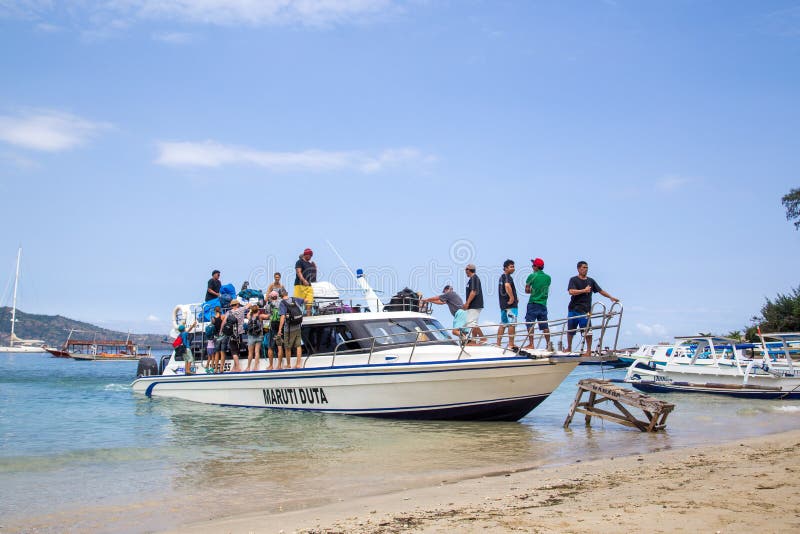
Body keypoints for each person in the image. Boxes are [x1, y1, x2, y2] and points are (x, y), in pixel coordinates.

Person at [566, 261, 619, 357]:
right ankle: (569, 347)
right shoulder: (573, 280)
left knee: (588, 331)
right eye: (583, 267)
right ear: (578, 269)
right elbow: (571, 291)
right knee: (570, 330)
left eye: (587, 267)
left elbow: (600, 290)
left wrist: (610, 297)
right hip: (574, 308)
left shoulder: (591, 281)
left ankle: (589, 351)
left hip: (585, 310)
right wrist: (584, 290)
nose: (585, 269)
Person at [524, 258, 553, 352]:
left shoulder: (532, 276)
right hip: (543, 304)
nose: (532, 267)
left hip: (533, 303)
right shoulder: (548, 278)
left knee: (530, 323)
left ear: (536, 267)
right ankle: (549, 344)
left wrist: (532, 290)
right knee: (545, 325)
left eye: (533, 265)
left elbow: (527, 290)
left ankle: (531, 344)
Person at [277, 288, 305, 369]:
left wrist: (279, 329)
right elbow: (305, 300)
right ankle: (298, 364)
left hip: (288, 329)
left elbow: (282, 316)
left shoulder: (282, 303)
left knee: (287, 347)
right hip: (298, 326)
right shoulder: (294, 299)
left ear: (280, 296)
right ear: (287, 293)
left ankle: (288, 364)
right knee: (298, 345)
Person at [496, 259, 519, 350]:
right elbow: (507, 286)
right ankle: (511, 344)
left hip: (503, 305)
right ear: (505, 268)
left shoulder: (501, 277)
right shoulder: (508, 277)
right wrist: (512, 298)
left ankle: (498, 344)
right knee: (512, 324)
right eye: (511, 267)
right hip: (511, 305)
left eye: (513, 266)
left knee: (503, 324)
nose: (513, 268)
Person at [220, 298, 246, 372]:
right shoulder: (241, 310)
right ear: (237, 304)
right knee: (237, 350)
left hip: (232, 334)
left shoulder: (229, 312)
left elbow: (224, 322)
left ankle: (237, 367)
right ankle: (235, 367)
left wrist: (221, 331)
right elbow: (249, 305)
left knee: (233, 351)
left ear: (231, 305)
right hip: (240, 333)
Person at [461, 263, 485, 342]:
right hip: (473, 305)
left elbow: (474, 291)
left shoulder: (474, 278)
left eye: (466, 269)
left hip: (475, 305)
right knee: (473, 323)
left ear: (469, 270)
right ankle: (474, 340)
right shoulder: (471, 279)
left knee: (471, 323)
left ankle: (483, 338)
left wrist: (467, 303)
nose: (465, 271)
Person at [244, 303, 268, 372]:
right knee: (257, 352)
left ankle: (248, 367)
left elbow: (249, 313)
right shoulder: (260, 316)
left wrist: (251, 310)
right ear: (258, 310)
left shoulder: (249, 316)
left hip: (251, 336)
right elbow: (268, 316)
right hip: (259, 335)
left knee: (250, 353)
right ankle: (255, 367)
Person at [294, 248, 316, 316]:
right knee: (298, 303)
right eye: (310, 255)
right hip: (299, 285)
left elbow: (314, 278)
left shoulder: (310, 264)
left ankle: (308, 317)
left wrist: (315, 268)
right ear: (306, 254)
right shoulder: (299, 262)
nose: (311, 257)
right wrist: (303, 280)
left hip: (309, 286)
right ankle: (297, 317)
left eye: (311, 256)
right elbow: (298, 272)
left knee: (309, 302)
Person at [262, 291, 281, 369]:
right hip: (279, 327)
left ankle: (271, 365)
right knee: (279, 346)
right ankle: (279, 365)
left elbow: (267, 316)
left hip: (271, 327)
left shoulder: (268, 305)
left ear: (270, 297)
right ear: (277, 296)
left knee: (270, 347)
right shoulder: (281, 303)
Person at [210, 306, 223, 373]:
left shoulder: (213, 319)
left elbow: (212, 325)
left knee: (217, 353)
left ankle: (215, 369)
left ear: (215, 311)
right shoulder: (222, 317)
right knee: (222, 352)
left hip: (216, 336)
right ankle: (221, 368)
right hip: (222, 336)